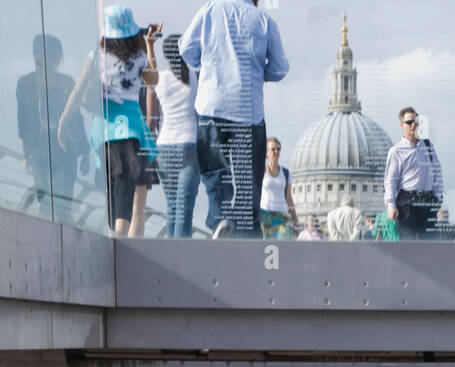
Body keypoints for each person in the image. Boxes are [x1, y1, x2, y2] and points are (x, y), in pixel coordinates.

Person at [179, 0, 289, 239]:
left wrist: (207, 64)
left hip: (212, 104)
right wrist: (257, 73)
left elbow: (186, 49)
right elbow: (280, 68)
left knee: (214, 171)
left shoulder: (209, 10)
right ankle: (249, 236)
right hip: (249, 111)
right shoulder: (264, 21)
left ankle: (221, 218)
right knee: (249, 180)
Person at [57, 7, 160, 238]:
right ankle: (122, 244)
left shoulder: (97, 55)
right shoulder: (139, 55)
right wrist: (150, 46)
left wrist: (63, 119)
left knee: (115, 187)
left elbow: (79, 89)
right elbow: (154, 80)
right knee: (130, 188)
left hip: (104, 130)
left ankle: (115, 239)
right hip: (132, 129)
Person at [16, 35, 83, 223]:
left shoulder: (63, 82)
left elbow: (23, 122)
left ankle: (52, 247)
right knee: (52, 205)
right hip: (48, 151)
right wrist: (25, 155)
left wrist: (25, 155)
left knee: (54, 206)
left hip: (55, 151)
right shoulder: (28, 83)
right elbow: (23, 122)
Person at [154, 34, 200, 238]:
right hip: (188, 144)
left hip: (163, 146)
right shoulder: (194, 76)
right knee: (184, 209)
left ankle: (170, 258)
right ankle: (183, 259)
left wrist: (149, 44)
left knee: (172, 206)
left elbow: (149, 70)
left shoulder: (161, 78)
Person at [384, 107, 443, 240]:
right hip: (407, 204)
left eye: (416, 122)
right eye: (409, 122)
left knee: (430, 245)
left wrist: (438, 199)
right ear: (402, 125)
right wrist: (391, 205)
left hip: (428, 202)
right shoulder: (396, 151)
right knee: (409, 247)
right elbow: (391, 180)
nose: (413, 125)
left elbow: (437, 172)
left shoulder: (428, 146)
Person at [260, 136, 298, 238]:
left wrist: (295, 218)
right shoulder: (260, 171)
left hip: (281, 215)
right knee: (264, 247)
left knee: (284, 244)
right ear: (267, 152)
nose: (276, 152)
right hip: (265, 214)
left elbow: (289, 198)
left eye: (278, 149)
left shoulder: (285, 173)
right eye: (273, 149)